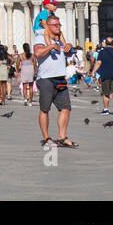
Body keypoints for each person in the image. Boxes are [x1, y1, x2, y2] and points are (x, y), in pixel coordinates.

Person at [33, 14, 77, 148]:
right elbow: (38, 53)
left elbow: (67, 53)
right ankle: (46, 138)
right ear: (48, 26)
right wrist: (50, 47)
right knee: (45, 109)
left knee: (66, 108)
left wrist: (68, 47)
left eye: (59, 25)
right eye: (55, 25)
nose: (58, 27)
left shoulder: (60, 40)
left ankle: (62, 136)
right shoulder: (40, 37)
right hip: (46, 79)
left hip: (60, 77)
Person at [92, 37, 113, 115]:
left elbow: (98, 63)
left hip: (105, 74)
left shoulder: (102, 52)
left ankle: (106, 109)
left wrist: (93, 71)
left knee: (106, 93)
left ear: (105, 43)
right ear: (112, 43)